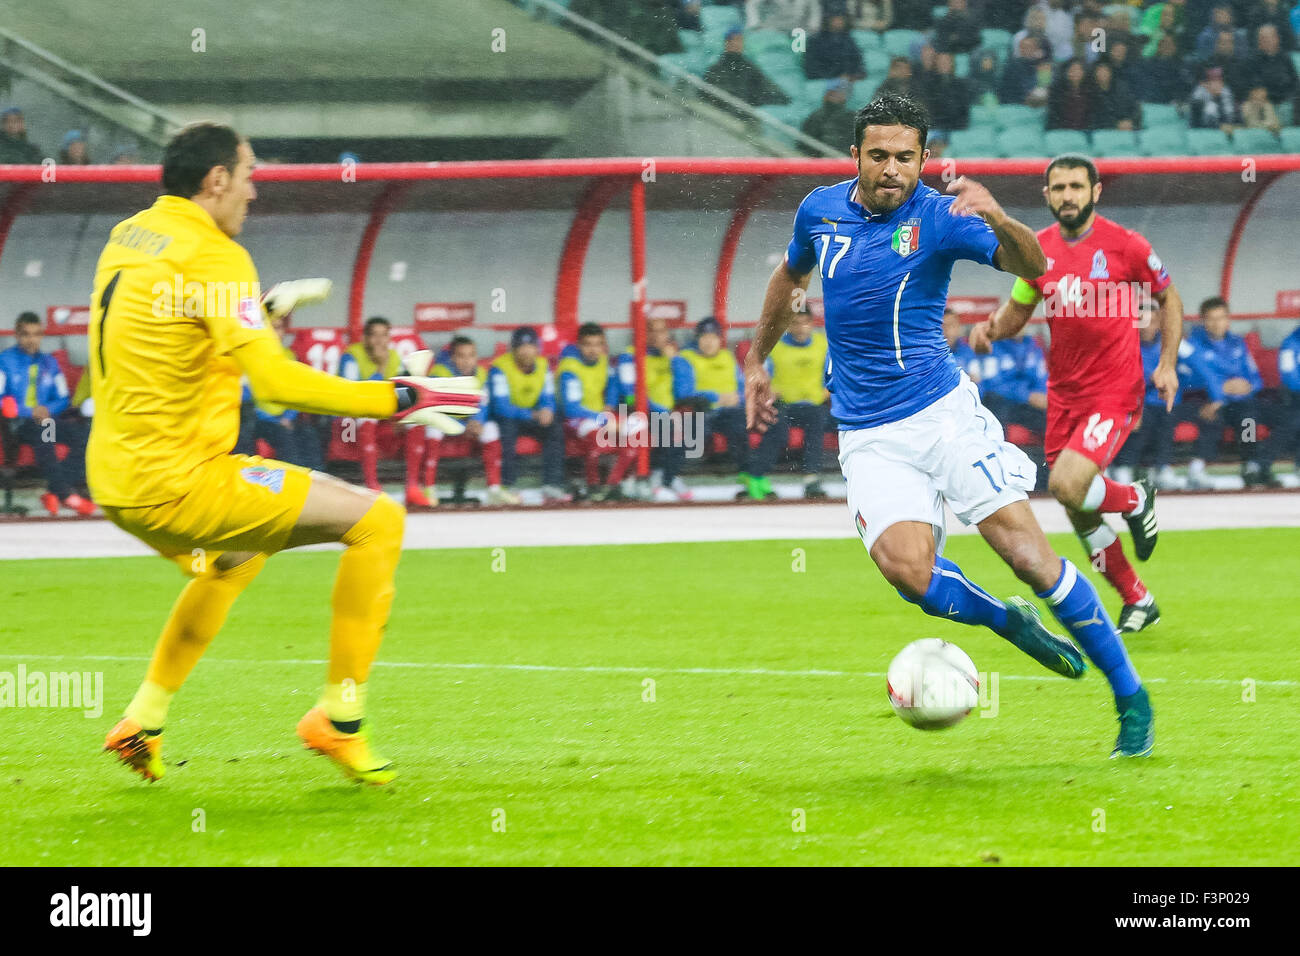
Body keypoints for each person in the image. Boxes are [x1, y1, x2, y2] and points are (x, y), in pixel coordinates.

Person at [744, 94, 1154, 757]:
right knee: (909, 573)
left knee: (1031, 558)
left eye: (906, 157)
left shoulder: (940, 217)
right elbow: (791, 274)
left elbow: (1034, 267)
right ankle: (1008, 623)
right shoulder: (818, 211)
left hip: (943, 419)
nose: (891, 170)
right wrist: (755, 360)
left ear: (924, 159)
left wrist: (996, 214)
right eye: (877, 155)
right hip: (868, 433)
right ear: (855, 156)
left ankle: (1130, 697)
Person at [93, 122, 481, 785]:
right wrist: (401, 398)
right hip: (182, 482)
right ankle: (340, 719)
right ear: (216, 180)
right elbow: (275, 385)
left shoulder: (130, 235)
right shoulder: (218, 258)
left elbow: (170, 332)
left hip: (115, 482)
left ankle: (143, 719)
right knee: (377, 521)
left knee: (234, 560)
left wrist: (261, 311)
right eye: (249, 177)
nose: (254, 192)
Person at [976, 153, 1182, 636]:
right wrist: (991, 329)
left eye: (1076, 186)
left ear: (1095, 191)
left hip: (1113, 390)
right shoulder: (1037, 252)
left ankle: (1135, 497)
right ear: (1046, 195)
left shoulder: (1126, 246)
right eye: (1058, 188)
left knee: (1068, 485)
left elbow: (1168, 297)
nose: (1067, 195)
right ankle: (1138, 598)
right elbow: (1017, 312)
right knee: (1077, 506)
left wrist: (1168, 364)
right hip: (1063, 393)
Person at [0, 311, 95, 516]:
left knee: (84, 434)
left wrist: (47, 410)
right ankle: (66, 495)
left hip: (47, 419)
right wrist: (29, 410)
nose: (31, 339)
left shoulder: (49, 363)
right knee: (46, 433)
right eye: (25, 334)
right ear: (17, 335)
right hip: (18, 423)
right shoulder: (4, 361)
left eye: (36, 334)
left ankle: (56, 491)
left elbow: (62, 398)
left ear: (41, 336)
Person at [1184, 297, 1282, 488]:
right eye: (1211, 318)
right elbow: (1190, 379)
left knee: (1273, 417)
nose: (1217, 323)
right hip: (1208, 401)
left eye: (1221, 318)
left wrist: (1247, 386)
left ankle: (1257, 465)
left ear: (1228, 319)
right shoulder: (1192, 344)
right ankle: (1200, 470)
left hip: (1242, 401)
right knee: (1233, 418)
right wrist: (1224, 387)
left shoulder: (1238, 343)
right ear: (1202, 320)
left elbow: (1255, 378)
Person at [339, 316, 429, 507]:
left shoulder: (395, 357)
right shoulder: (351, 357)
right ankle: (372, 486)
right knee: (366, 417)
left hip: (384, 420)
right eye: (374, 336)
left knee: (415, 418)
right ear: (364, 338)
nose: (380, 341)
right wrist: (379, 368)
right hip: (350, 426)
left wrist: (399, 416)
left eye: (384, 336)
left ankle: (412, 487)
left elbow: (403, 394)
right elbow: (352, 396)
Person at [1111, 316, 1205, 492]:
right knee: (1140, 418)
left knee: (1172, 414)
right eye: (1141, 320)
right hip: (1133, 403)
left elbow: (1198, 363)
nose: (1147, 326)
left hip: (1166, 403)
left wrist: (1218, 398)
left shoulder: (1171, 343)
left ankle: (1163, 468)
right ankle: (1124, 469)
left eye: (1153, 321)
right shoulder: (1123, 344)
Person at [424, 335, 517, 506]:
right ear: (452, 358)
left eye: (471, 355)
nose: (467, 361)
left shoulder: (481, 374)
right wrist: (461, 425)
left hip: (469, 424)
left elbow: (483, 402)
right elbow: (437, 407)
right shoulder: (439, 374)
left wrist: (477, 421)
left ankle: (494, 489)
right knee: (432, 427)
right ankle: (428, 488)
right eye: (461, 356)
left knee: (491, 429)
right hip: (446, 422)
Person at [750, 311, 831, 498]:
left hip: (814, 404)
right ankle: (757, 476)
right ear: (788, 325)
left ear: (811, 324)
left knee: (818, 420)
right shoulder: (775, 347)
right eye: (795, 323)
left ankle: (811, 479)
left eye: (805, 322)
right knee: (777, 430)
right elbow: (760, 375)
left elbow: (835, 371)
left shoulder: (823, 345)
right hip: (783, 404)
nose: (800, 327)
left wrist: (827, 391)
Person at [611, 316, 693, 502]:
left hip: (667, 412)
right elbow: (630, 393)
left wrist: (674, 360)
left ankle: (666, 477)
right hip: (636, 411)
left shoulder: (674, 357)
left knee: (694, 425)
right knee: (668, 426)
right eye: (652, 331)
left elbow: (684, 392)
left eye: (662, 331)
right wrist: (662, 412)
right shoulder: (628, 356)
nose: (658, 335)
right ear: (642, 334)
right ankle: (660, 479)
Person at [557, 322, 640, 502]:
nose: (593, 350)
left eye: (598, 344)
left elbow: (611, 385)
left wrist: (609, 406)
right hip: (577, 418)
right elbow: (571, 408)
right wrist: (603, 419)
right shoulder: (569, 369)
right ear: (579, 345)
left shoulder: (604, 360)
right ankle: (594, 486)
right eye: (588, 344)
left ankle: (616, 484)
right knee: (599, 437)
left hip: (600, 415)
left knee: (638, 429)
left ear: (603, 345)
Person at [488, 325, 570, 503]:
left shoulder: (543, 365)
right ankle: (508, 486)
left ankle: (552, 485)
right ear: (513, 349)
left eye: (530, 346)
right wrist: (532, 415)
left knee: (554, 427)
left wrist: (547, 410)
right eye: (521, 347)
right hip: (510, 417)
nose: (526, 352)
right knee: (506, 429)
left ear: (537, 348)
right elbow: (501, 406)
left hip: (533, 416)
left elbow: (548, 396)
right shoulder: (500, 367)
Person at [235, 313, 325, 470]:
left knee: (309, 434)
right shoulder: (249, 357)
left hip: (285, 417)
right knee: (284, 438)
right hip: (259, 419)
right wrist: (276, 421)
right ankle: (294, 482)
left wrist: (288, 417)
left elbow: (297, 393)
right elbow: (246, 398)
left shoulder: (290, 356)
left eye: (278, 328)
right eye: (270, 328)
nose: (274, 333)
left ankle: (318, 478)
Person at [680, 317, 758, 497]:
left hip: (728, 412)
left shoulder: (727, 357)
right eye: (703, 337)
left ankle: (748, 476)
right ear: (697, 339)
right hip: (700, 411)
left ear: (719, 339)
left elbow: (740, 386)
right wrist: (717, 397)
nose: (708, 342)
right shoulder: (686, 358)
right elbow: (685, 391)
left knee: (740, 423)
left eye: (713, 337)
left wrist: (738, 398)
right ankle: (674, 477)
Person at [703, 27, 791, 111]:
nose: (738, 44)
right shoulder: (716, 69)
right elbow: (716, 95)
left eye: (740, 40)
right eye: (735, 40)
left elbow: (769, 88)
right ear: (727, 43)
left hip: (743, 116)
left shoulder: (749, 68)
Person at [803, 10, 866, 80]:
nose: (838, 22)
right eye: (835, 19)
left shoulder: (849, 40)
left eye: (841, 19)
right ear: (828, 20)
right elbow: (811, 67)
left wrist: (853, 75)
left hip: (848, 79)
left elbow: (858, 61)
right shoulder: (815, 40)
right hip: (824, 79)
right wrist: (835, 78)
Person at [801, 79, 858, 153]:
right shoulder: (814, 117)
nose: (833, 93)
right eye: (830, 91)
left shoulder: (852, 118)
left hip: (844, 160)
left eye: (837, 91)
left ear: (846, 96)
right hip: (820, 161)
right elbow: (804, 146)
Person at [1046, 58, 1091, 130]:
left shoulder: (1090, 90)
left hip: (1084, 131)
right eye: (1072, 70)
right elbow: (1054, 115)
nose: (1075, 73)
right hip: (1061, 131)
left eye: (1079, 69)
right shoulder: (1057, 91)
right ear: (1066, 72)